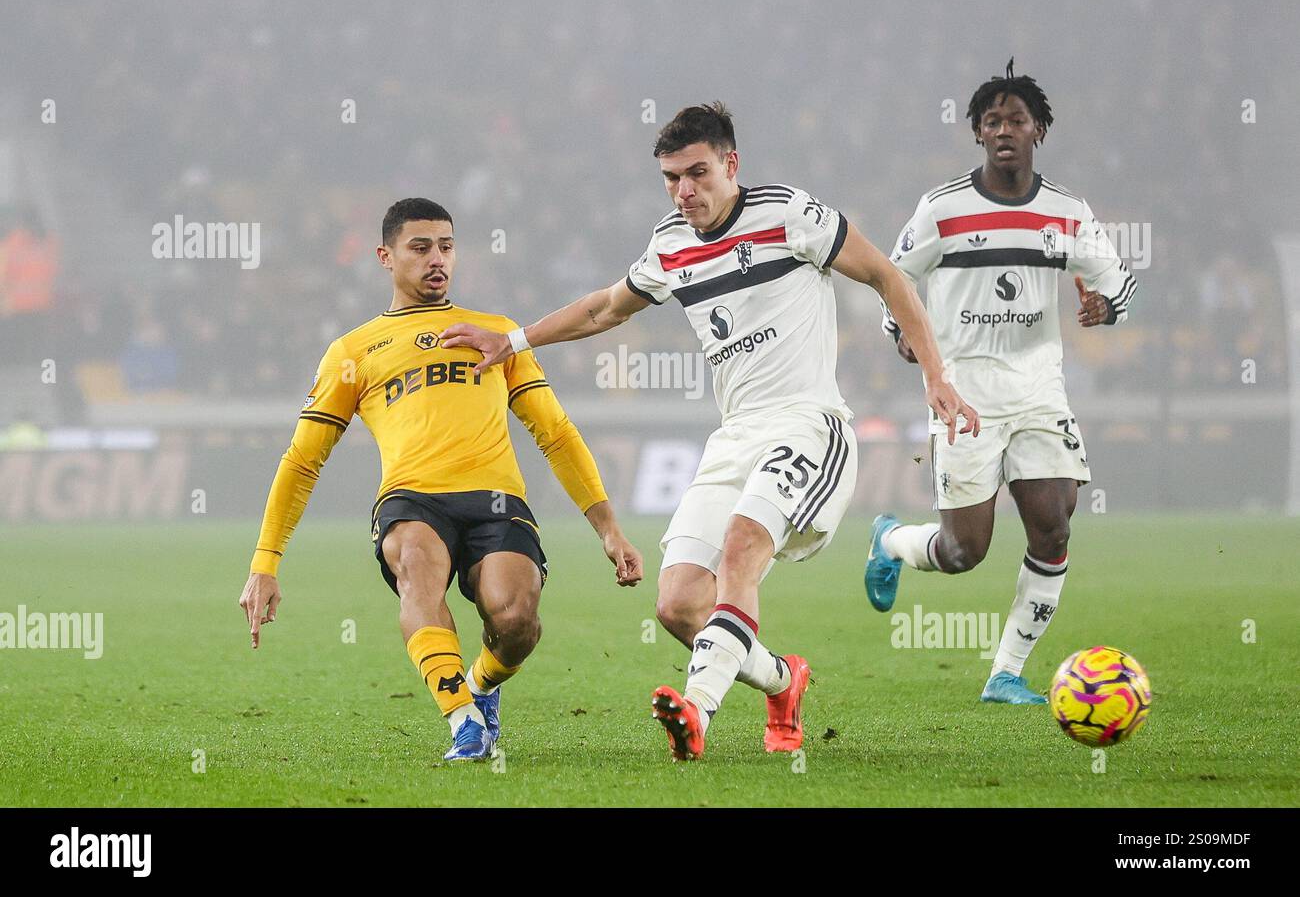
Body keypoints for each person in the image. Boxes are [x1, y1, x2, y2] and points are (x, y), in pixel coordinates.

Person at [441, 103, 978, 760]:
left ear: (731, 164)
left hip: (809, 423)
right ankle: (783, 682)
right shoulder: (670, 244)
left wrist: (935, 378)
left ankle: (695, 711)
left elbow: (887, 276)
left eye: (696, 173)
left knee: (742, 547)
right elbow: (606, 308)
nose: (683, 190)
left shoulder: (789, 213)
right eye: (671, 178)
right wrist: (516, 339)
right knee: (678, 605)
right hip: (735, 438)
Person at [238, 198, 643, 761]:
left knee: (517, 619)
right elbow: (303, 460)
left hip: (496, 499)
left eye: (446, 247)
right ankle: (462, 721)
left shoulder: (500, 336)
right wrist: (265, 563)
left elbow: (555, 432)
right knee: (417, 570)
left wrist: (608, 529)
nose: (437, 260)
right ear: (385, 256)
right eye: (420, 247)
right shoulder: (353, 351)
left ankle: (478, 686)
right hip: (411, 501)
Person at [865, 61, 1137, 704]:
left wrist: (1106, 306)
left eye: (1017, 119)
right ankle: (892, 539)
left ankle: (1005, 674)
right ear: (978, 135)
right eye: (992, 122)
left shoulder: (1066, 212)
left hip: (1040, 390)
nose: (1005, 130)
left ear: (1039, 129)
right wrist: (899, 333)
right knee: (965, 551)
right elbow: (890, 279)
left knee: (1054, 524)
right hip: (964, 393)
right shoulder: (942, 209)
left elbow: (1116, 275)